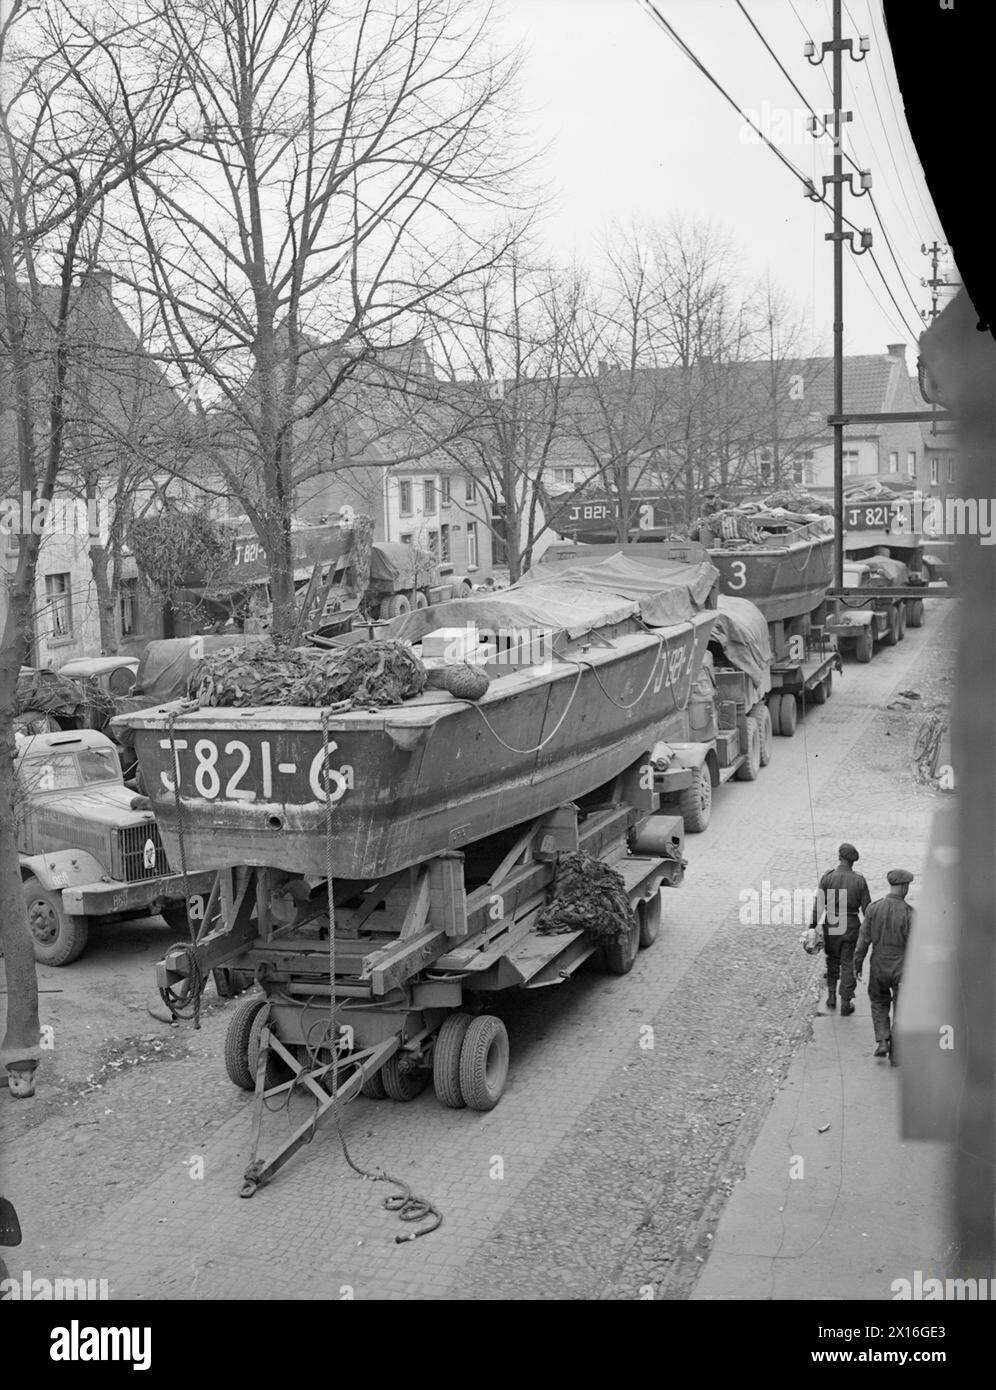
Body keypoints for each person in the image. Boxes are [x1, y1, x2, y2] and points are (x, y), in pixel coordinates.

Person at [854, 869, 914, 1059]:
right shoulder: (910, 914)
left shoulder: (873, 908)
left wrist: (857, 964)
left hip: (878, 965)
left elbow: (863, 940)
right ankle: (896, 1049)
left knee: (879, 1001)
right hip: (901, 967)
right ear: (904, 887)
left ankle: (882, 1040)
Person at [810, 842, 871, 1015]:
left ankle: (831, 998)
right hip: (851, 925)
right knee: (847, 963)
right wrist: (872, 930)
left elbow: (819, 905)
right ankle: (845, 1003)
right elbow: (867, 909)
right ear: (853, 862)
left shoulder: (827, 877)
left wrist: (812, 926)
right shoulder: (859, 880)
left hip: (832, 924)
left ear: (839, 857)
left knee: (832, 960)